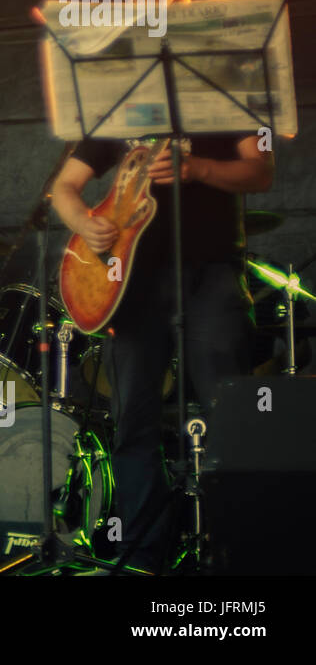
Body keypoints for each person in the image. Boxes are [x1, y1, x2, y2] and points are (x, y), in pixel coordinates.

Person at [52, 133, 271, 572]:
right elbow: (63, 187)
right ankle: (142, 557)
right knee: (133, 423)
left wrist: (199, 169)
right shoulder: (118, 109)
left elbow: (261, 171)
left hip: (211, 275)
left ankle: (241, 553)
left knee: (231, 421)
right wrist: (84, 223)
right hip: (131, 284)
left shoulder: (219, 98)